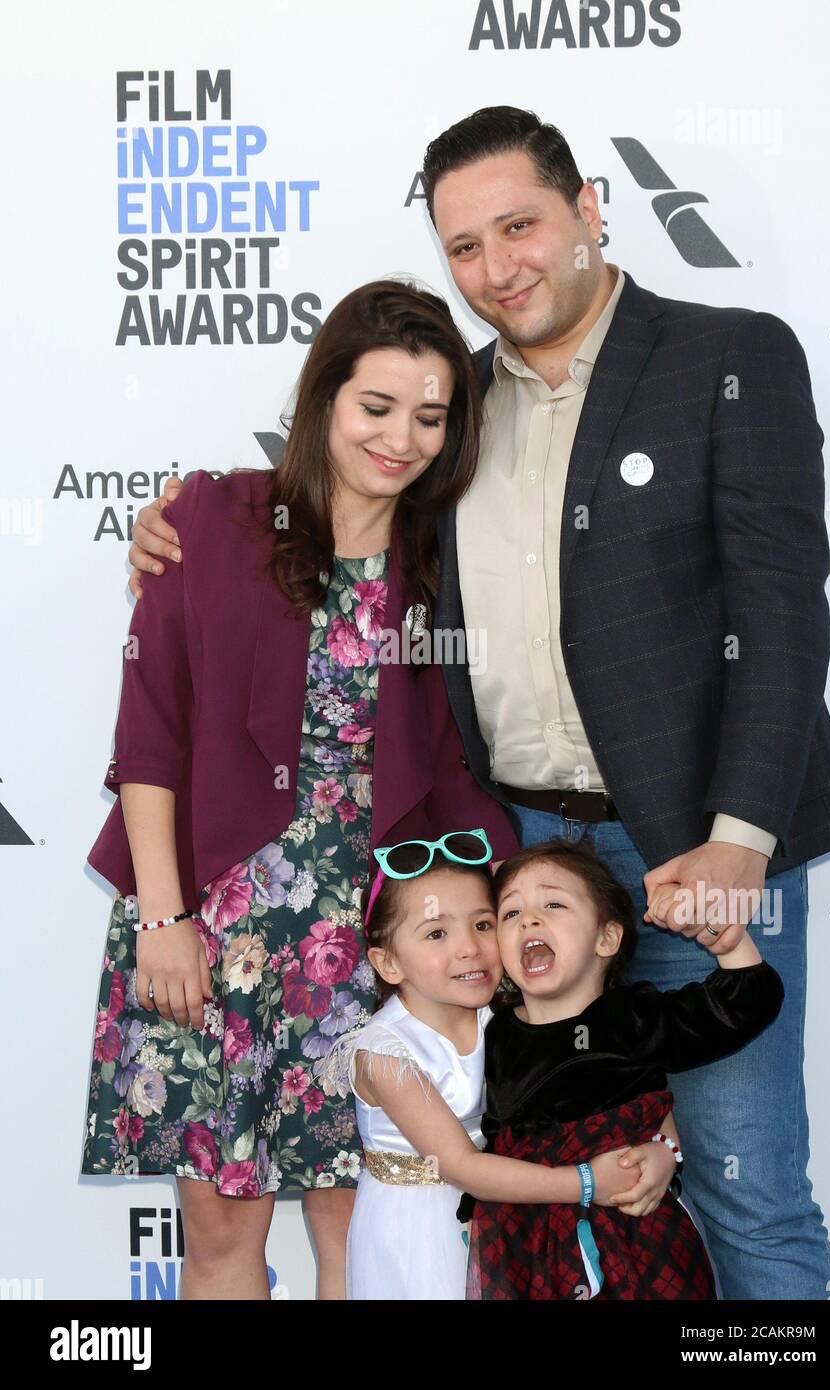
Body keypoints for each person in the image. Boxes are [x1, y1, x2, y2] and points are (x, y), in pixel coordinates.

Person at [122, 106, 830, 1298]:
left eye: (518, 226)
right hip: (513, 861)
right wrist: (181, 523)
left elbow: (780, 613)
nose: (494, 267)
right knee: (527, 1186)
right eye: (461, 246)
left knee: (739, 1178)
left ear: (587, 211)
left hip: (700, 853)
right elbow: (332, 532)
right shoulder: (451, 411)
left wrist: (735, 843)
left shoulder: (728, 353)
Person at [81, 279, 523, 1302]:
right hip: (206, 925)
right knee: (220, 1231)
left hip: (366, 934)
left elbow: (456, 765)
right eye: (375, 407)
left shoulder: (445, 562)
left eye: (428, 416)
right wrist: (163, 917)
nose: (399, 439)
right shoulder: (214, 515)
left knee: (356, 1229)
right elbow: (150, 738)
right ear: (324, 395)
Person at [321, 829, 681, 1299]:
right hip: (419, 1229)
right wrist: (586, 1182)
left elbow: (618, 1080)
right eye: (436, 933)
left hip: (515, 1212)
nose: (469, 947)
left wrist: (664, 1151)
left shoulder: (510, 1017)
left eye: (483, 924)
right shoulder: (385, 1052)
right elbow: (460, 1166)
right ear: (388, 964)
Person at [457, 837, 784, 1300]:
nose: (529, 919)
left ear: (606, 938)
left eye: (554, 903)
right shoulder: (492, 1033)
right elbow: (490, 1133)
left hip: (635, 1242)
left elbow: (747, 1002)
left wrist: (715, 927)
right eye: (511, 913)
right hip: (525, 1247)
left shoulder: (632, 1018)